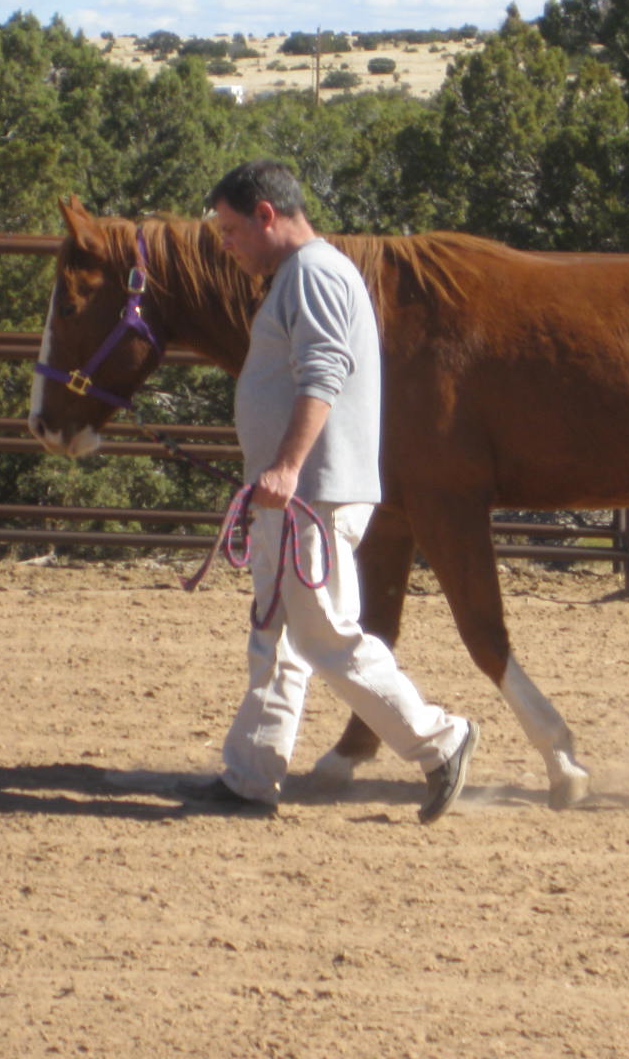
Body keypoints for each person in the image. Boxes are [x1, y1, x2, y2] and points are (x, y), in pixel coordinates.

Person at [187, 158, 478, 823]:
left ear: (267, 215)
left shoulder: (313, 273)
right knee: (278, 636)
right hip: (296, 498)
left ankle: (441, 740)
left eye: (231, 230)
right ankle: (251, 775)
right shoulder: (304, 274)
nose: (225, 245)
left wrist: (287, 468)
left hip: (307, 496)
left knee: (325, 636)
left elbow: (323, 373)